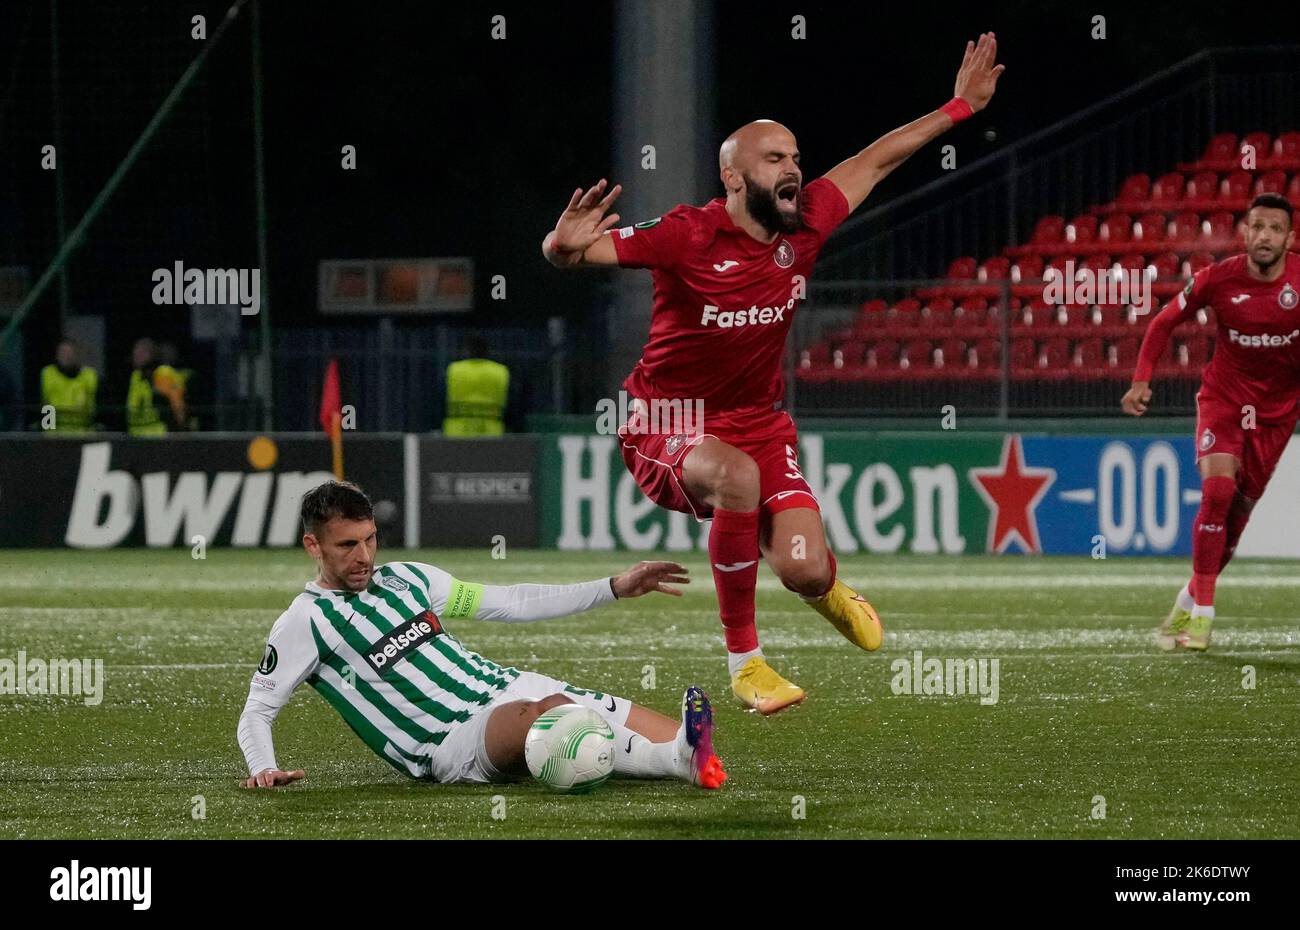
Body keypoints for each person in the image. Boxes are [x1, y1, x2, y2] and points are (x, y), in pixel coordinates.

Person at [542, 35, 1005, 712]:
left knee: (801, 566)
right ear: (734, 177)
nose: (793, 167)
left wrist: (960, 108)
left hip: (760, 424)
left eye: (795, 156)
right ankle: (746, 662)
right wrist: (558, 247)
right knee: (736, 478)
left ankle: (829, 588)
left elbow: (875, 160)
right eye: (775, 158)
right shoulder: (687, 234)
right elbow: (580, 252)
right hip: (665, 423)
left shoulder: (806, 227)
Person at [236, 480, 726, 789]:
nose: (364, 556)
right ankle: (669, 759)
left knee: (698, 750)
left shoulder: (409, 579)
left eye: (369, 539)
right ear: (312, 546)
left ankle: (672, 755)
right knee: (553, 713)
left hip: (509, 687)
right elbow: (258, 709)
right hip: (450, 740)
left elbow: (510, 602)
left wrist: (613, 588)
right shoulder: (305, 622)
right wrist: (263, 766)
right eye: (347, 545)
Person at [1122, 193, 1300, 651]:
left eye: (1274, 228)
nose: (1264, 236)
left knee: (1237, 520)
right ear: (1245, 231)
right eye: (1257, 226)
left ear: (1289, 238)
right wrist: (1142, 380)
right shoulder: (1218, 279)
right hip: (1224, 399)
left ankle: (1186, 599)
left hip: (1277, 415)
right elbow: (1163, 322)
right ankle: (1204, 616)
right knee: (1217, 492)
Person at [443, 336, 510, 436]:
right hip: (491, 432)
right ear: (487, 352)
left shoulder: (453, 370)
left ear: (466, 351)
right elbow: (513, 404)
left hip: (457, 432)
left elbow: (439, 400)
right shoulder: (500, 372)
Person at [126, 337, 186, 435]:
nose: (137, 355)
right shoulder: (135, 377)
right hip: (135, 437)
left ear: (153, 354)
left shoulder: (163, 374)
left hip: (158, 437)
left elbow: (178, 411)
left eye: (143, 352)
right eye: (136, 352)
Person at [40, 339, 98, 434]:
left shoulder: (90, 375)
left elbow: (94, 407)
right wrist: (48, 433)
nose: (66, 356)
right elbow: (45, 403)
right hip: (54, 434)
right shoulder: (47, 373)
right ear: (56, 355)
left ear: (76, 355)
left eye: (69, 353)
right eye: (62, 352)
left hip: (83, 433)